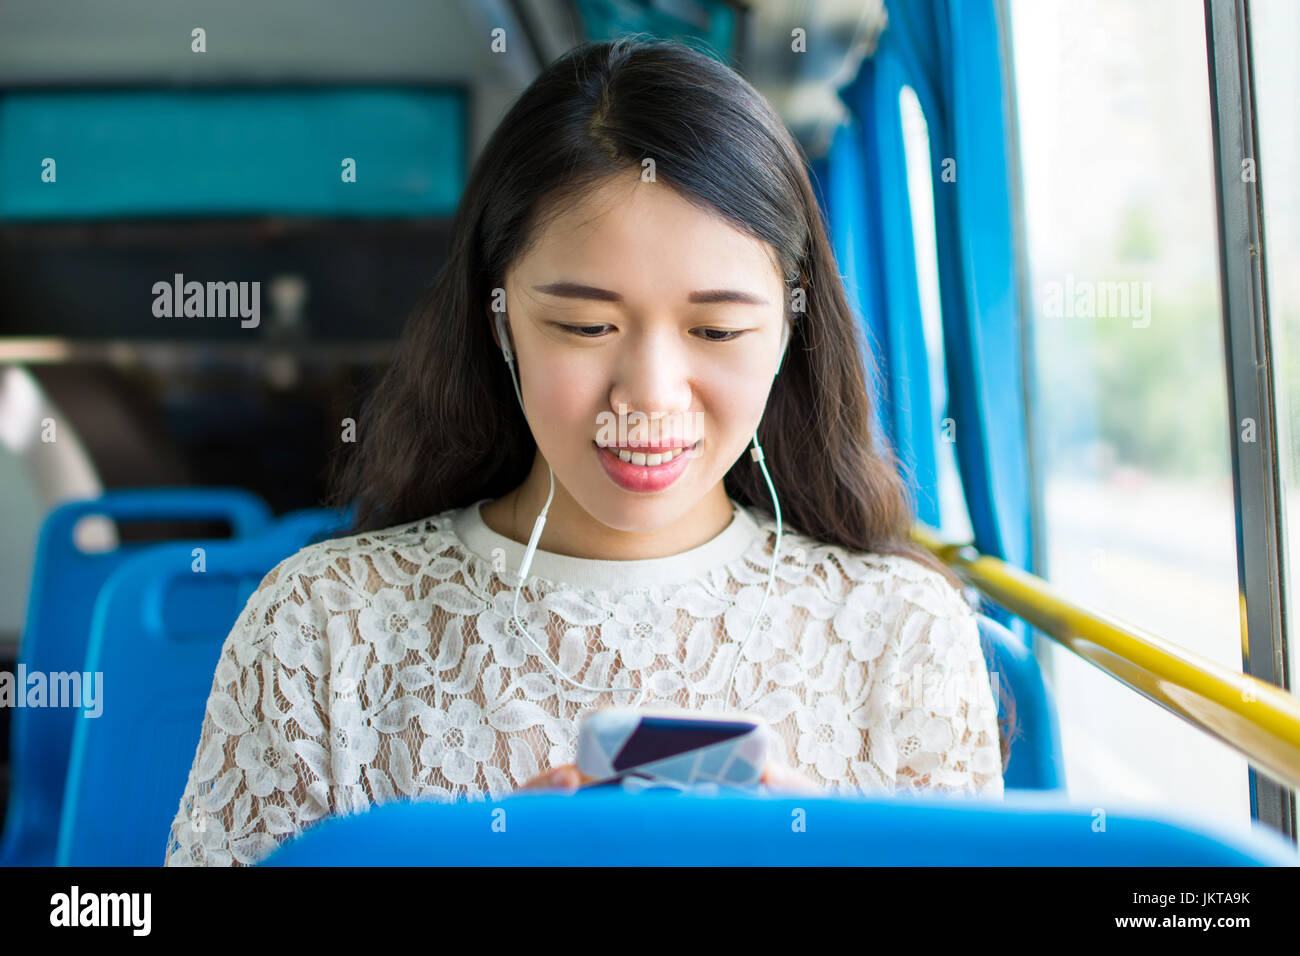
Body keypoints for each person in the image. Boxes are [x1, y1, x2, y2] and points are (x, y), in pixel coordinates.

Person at [164, 36, 1012, 868]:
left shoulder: (904, 634)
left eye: (717, 329)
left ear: (790, 327)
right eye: (585, 326)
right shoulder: (321, 626)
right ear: (502, 322)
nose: (650, 394)